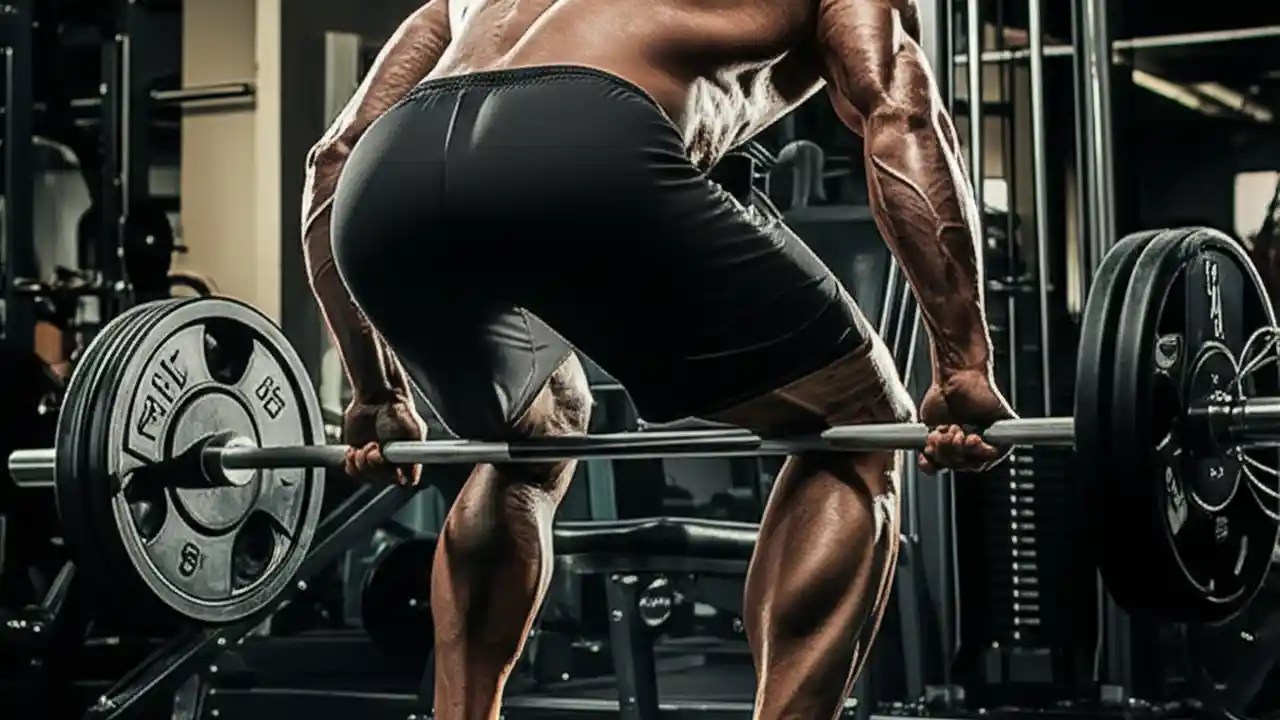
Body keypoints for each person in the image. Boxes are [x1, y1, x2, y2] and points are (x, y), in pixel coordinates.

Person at [301, 0, 1016, 716]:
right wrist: (961, 367)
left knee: (534, 432)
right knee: (859, 421)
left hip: (388, 177)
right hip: (581, 135)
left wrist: (375, 398)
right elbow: (901, 117)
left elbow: (332, 159)